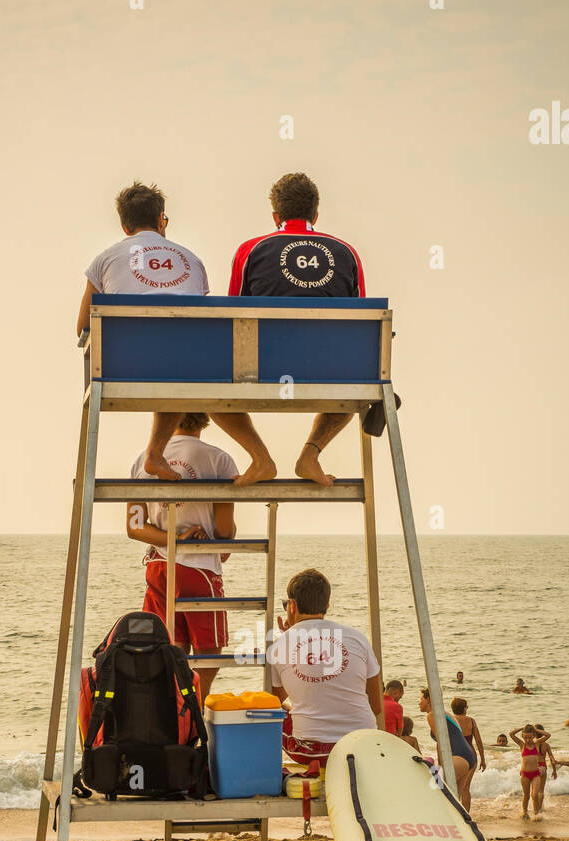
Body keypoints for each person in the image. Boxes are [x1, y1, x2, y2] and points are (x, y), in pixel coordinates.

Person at [77, 181, 277, 485]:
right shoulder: (191, 260)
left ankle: (155, 454)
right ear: (161, 220)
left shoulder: (105, 259)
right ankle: (261, 458)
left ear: (124, 224)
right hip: (182, 367)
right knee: (190, 371)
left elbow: (82, 327)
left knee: (170, 363)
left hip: (119, 370)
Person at [228, 172, 366, 487]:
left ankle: (260, 458)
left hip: (261, 371)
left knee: (202, 391)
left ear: (275, 215)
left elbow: (232, 314)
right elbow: (360, 322)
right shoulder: (346, 252)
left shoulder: (251, 249)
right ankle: (311, 454)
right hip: (329, 373)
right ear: (315, 214)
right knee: (360, 381)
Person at [127, 414, 237, 699]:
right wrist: (215, 540)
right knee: (209, 648)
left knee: (168, 642)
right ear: (206, 417)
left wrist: (174, 540)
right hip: (199, 568)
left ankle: (173, 711)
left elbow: (134, 526)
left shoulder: (143, 459)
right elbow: (224, 532)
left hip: (159, 566)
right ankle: (197, 706)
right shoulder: (219, 459)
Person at [268, 568, 381, 766]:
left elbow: (275, 698)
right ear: (327, 604)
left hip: (312, 754)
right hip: (363, 747)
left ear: (292, 606)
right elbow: (377, 706)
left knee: (271, 711)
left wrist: (289, 637)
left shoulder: (280, 645)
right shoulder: (357, 638)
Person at [420, 688, 475, 809]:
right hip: (467, 756)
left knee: (434, 787)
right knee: (455, 801)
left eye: (421, 699)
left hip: (458, 757)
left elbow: (441, 742)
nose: (419, 702)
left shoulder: (432, 714)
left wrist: (441, 766)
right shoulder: (445, 714)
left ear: (428, 699)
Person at [450, 697, 486, 812]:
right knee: (465, 788)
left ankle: (453, 812)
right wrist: (483, 759)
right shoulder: (471, 721)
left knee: (453, 787)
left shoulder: (450, 720)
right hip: (470, 755)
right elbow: (479, 741)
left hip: (455, 755)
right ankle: (467, 815)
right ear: (464, 708)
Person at [509, 724, 548, 820]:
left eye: (530, 737)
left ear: (534, 736)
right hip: (525, 775)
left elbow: (548, 735)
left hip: (536, 774)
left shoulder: (537, 744)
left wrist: (536, 730)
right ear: (523, 736)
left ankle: (536, 814)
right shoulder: (522, 745)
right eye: (525, 737)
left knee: (535, 795)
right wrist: (522, 728)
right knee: (526, 796)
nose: (527, 740)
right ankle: (524, 813)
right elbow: (511, 734)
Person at [533, 722, 557, 810]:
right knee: (541, 790)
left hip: (535, 768)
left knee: (534, 790)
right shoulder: (546, 745)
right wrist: (554, 771)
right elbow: (552, 759)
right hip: (543, 767)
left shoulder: (534, 743)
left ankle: (537, 808)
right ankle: (540, 807)